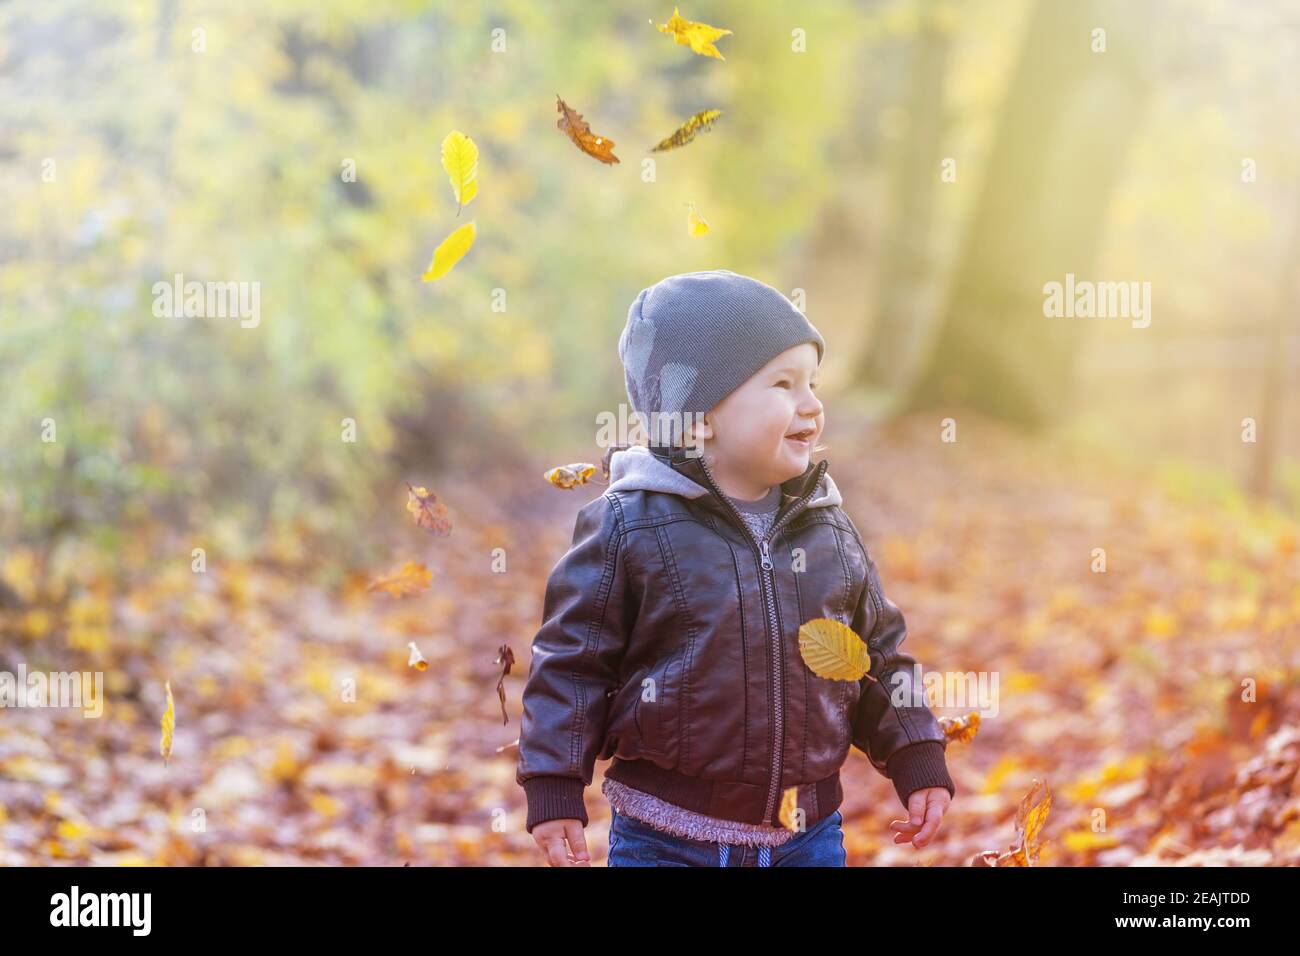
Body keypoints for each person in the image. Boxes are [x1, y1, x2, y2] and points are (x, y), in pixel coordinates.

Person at [517, 269, 955, 866]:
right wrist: (554, 783)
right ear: (699, 417)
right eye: (783, 384)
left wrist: (916, 753)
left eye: (812, 383)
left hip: (807, 835)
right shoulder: (630, 524)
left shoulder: (827, 526)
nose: (812, 405)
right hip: (664, 837)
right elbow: (573, 662)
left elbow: (877, 654)